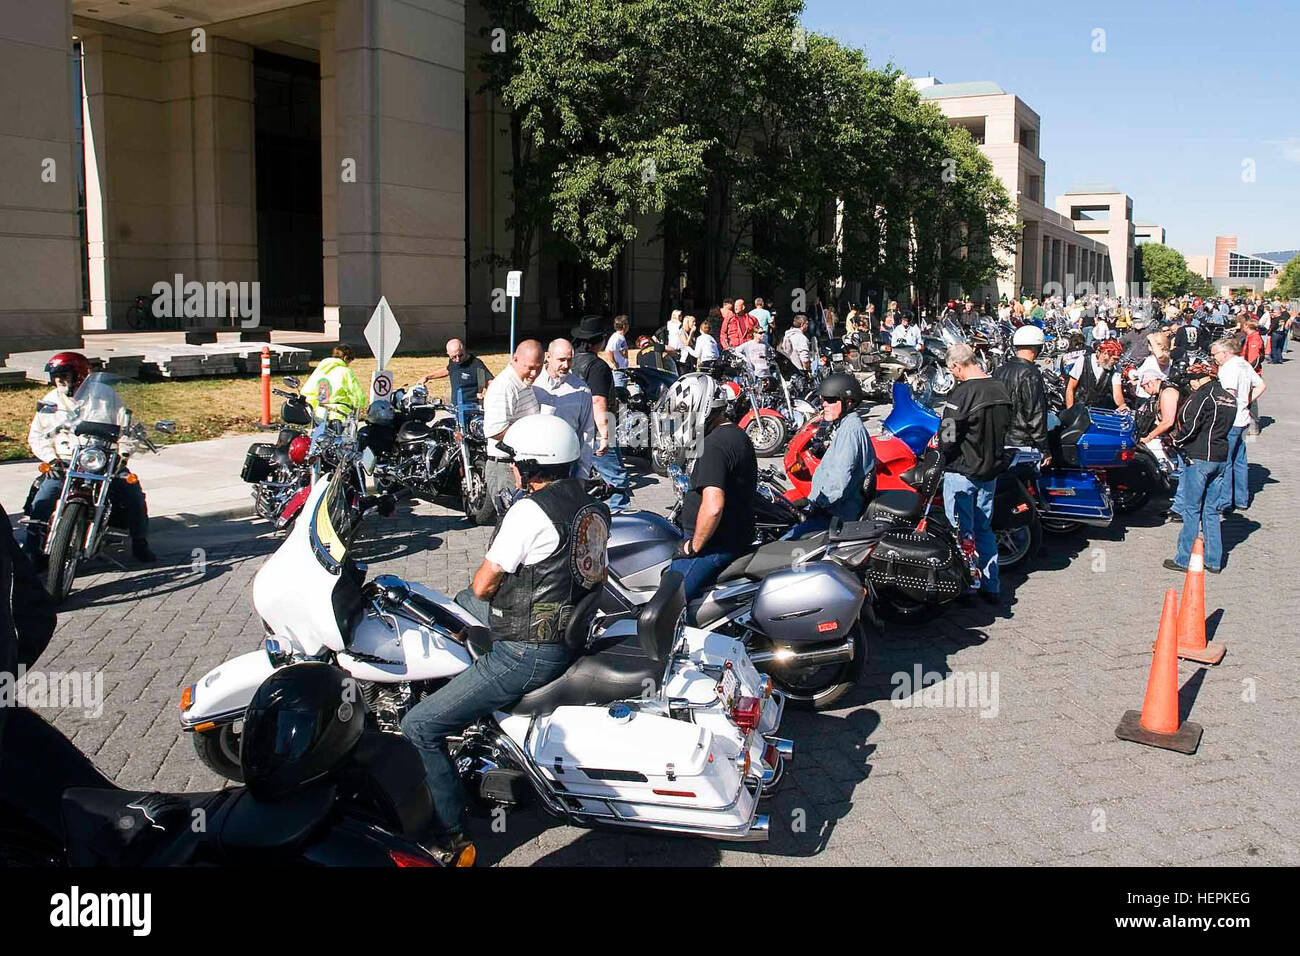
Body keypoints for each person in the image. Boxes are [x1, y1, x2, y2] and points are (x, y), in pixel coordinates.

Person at [400, 414, 609, 862]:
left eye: (516, 462)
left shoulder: (529, 511)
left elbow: (483, 585)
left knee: (419, 726)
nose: (512, 467)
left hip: (529, 649)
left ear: (531, 466)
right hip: (565, 622)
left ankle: (452, 838)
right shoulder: (589, 500)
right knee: (452, 604)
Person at [23, 352, 156, 565]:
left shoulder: (105, 395)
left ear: (79, 375)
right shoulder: (49, 401)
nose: (60, 382)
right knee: (44, 497)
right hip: (66, 460)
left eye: (64, 376)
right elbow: (37, 436)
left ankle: (140, 542)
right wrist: (51, 459)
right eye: (56, 378)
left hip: (104, 459)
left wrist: (123, 454)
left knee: (132, 492)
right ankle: (33, 550)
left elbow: (128, 428)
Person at [669, 379, 758, 599]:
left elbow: (713, 507)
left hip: (714, 546)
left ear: (703, 408)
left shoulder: (713, 446)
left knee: (667, 602)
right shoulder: (734, 433)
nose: (681, 418)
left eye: (685, 411)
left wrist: (693, 547)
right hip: (729, 537)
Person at [938, 343, 1012, 604]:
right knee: (984, 529)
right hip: (990, 471)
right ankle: (991, 585)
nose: (953, 375)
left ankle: (966, 584)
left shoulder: (961, 394)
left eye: (952, 370)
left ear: (958, 366)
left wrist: (940, 450)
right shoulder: (1000, 388)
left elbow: (946, 436)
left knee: (961, 532)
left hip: (962, 471)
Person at [1163, 356, 1236, 574]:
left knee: (1192, 509)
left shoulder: (1202, 396)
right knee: (1211, 511)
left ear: (1201, 377)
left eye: (1193, 379)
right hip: (1220, 456)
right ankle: (1214, 560)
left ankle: (1184, 558)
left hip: (1199, 455)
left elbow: (1190, 424)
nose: (1191, 383)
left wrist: (1176, 440)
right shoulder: (1229, 397)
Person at [788, 373, 875, 536]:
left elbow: (838, 482)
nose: (824, 405)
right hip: (832, 510)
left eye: (831, 400)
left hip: (834, 516)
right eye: (822, 400)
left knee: (784, 546)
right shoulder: (845, 425)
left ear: (848, 402)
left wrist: (814, 506)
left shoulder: (850, 431)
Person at [570, 316, 631, 509]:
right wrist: (605, 434)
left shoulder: (569, 363)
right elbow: (598, 400)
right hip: (596, 430)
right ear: (599, 340)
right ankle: (620, 520)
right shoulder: (597, 366)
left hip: (574, 427)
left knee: (576, 480)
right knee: (616, 481)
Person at [482, 339, 543, 511]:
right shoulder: (504, 386)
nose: (534, 373)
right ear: (515, 359)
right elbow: (495, 430)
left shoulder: (523, 382)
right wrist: (530, 438)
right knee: (510, 521)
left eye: (538, 368)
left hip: (519, 464)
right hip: (505, 466)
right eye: (529, 367)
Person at [1211, 335, 1265, 514]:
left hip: (1231, 420)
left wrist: (1226, 411)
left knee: (1225, 461)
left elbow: (1228, 394)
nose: (1214, 358)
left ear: (1225, 353)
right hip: (1243, 419)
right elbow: (1261, 385)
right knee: (1239, 460)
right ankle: (1241, 499)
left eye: (1215, 354)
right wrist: (1246, 402)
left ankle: (1224, 502)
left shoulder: (1228, 369)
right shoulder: (1243, 364)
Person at [533, 338, 596, 479]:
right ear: (548, 356)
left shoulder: (581, 389)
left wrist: (583, 473)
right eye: (561, 359)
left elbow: (587, 432)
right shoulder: (533, 384)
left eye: (569, 360)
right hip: (535, 462)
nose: (566, 365)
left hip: (567, 464)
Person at [991, 325, 1051, 464]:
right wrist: (1045, 449)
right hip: (1023, 443)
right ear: (1037, 348)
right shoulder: (1031, 374)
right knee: (1026, 484)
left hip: (1000, 439)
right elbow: (1035, 415)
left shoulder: (1000, 370)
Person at [420, 338, 493, 427]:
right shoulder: (453, 362)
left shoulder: (476, 364)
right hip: (456, 408)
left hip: (472, 409)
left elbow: (489, 382)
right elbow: (448, 370)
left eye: (460, 355)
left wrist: (486, 395)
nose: (457, 359)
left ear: (464, 350)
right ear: (448, 354)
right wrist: (428, 377)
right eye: (453, 357)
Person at [300, 344, 367, 421]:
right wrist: (360, 404)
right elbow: (356, 393)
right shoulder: (345, 371)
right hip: (339, 414)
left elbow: (308, 392)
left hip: (320, 413)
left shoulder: (320, 371)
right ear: (345, 358)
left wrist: (313, 408)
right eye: (349, 361)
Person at [1065, 338, 1124, 410]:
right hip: (1080, 407)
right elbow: (1070, 388)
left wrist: (1122, 406)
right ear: (1105, 354)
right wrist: (1070, 411)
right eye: (1114, 359)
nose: (1116, 362)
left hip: (1099, 409)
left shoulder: (1115, 368)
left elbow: (1117, 392)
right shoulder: (1083, 360)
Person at [605, 314, 630, 385]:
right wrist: (614, 363)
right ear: (624, 326)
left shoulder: (620, 337)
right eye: (627, 324)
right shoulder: (617, 338)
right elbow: (609, 351)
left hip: (623, 369)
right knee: (620, 392)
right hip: (619, 371)